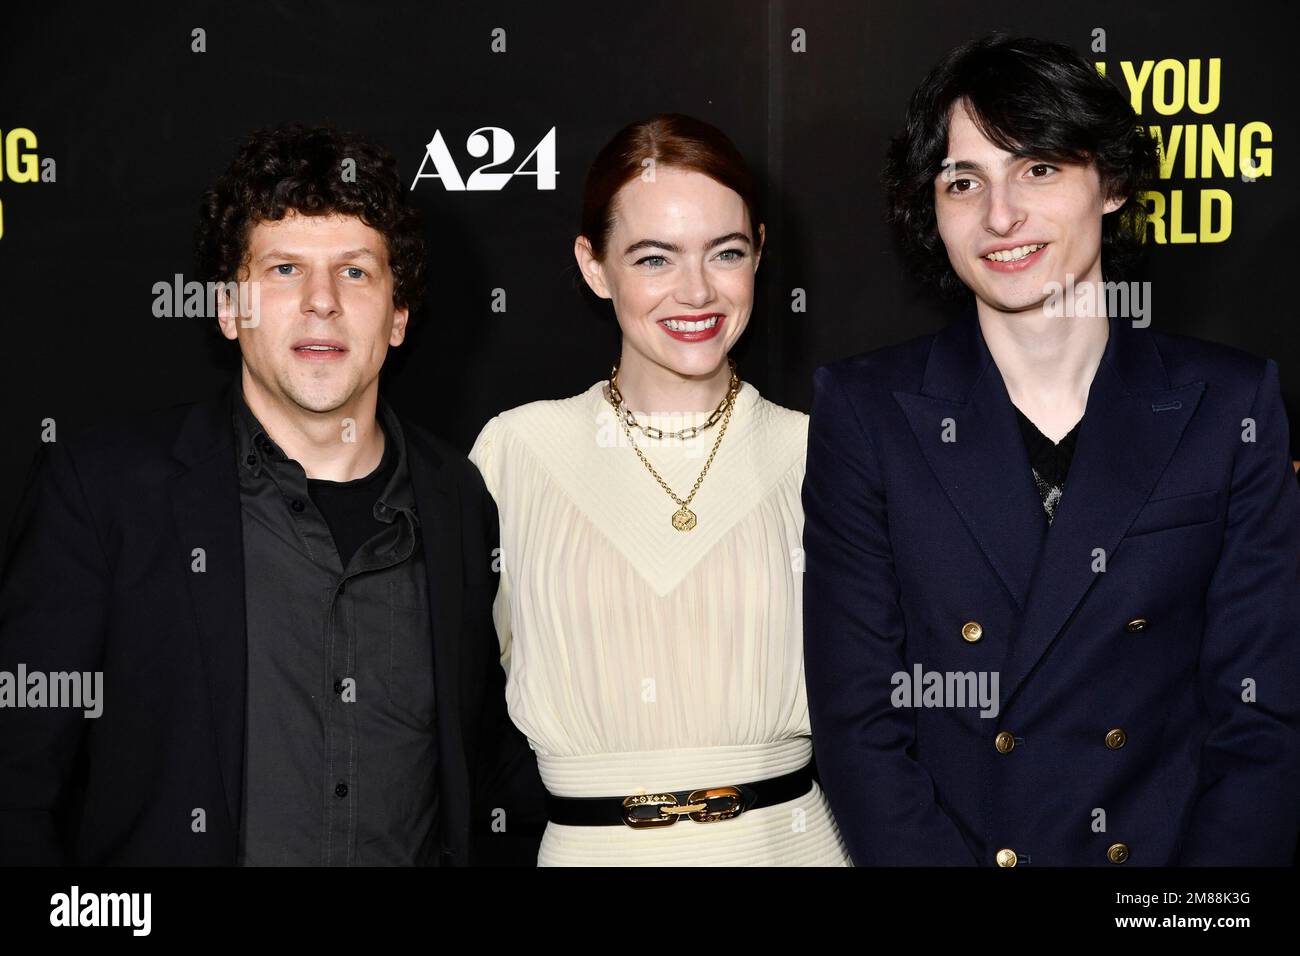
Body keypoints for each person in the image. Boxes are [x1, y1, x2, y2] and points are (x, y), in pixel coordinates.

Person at [803, 34, 1300, 866]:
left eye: (1038, 168)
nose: (1001, 216)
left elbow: (1262, 720)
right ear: (931, 209)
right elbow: (861, 727)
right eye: (964, 182)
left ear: (1110, 183)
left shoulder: (1230, 405)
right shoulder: (866, 413)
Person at [0, 124, 543, 866]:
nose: (320, 302)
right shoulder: (105, 491)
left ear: (399, 316)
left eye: (355, 273)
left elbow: (485, 768)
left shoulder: (458, 500)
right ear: (229, 309)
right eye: (284, 270)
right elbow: (16, 784)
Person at [469, 113, 850, 865]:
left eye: (726, 252)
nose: (697, 291)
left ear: (759, 254)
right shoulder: (518, 452)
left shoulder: (823, 453)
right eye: (653, 258)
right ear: (593, 265)